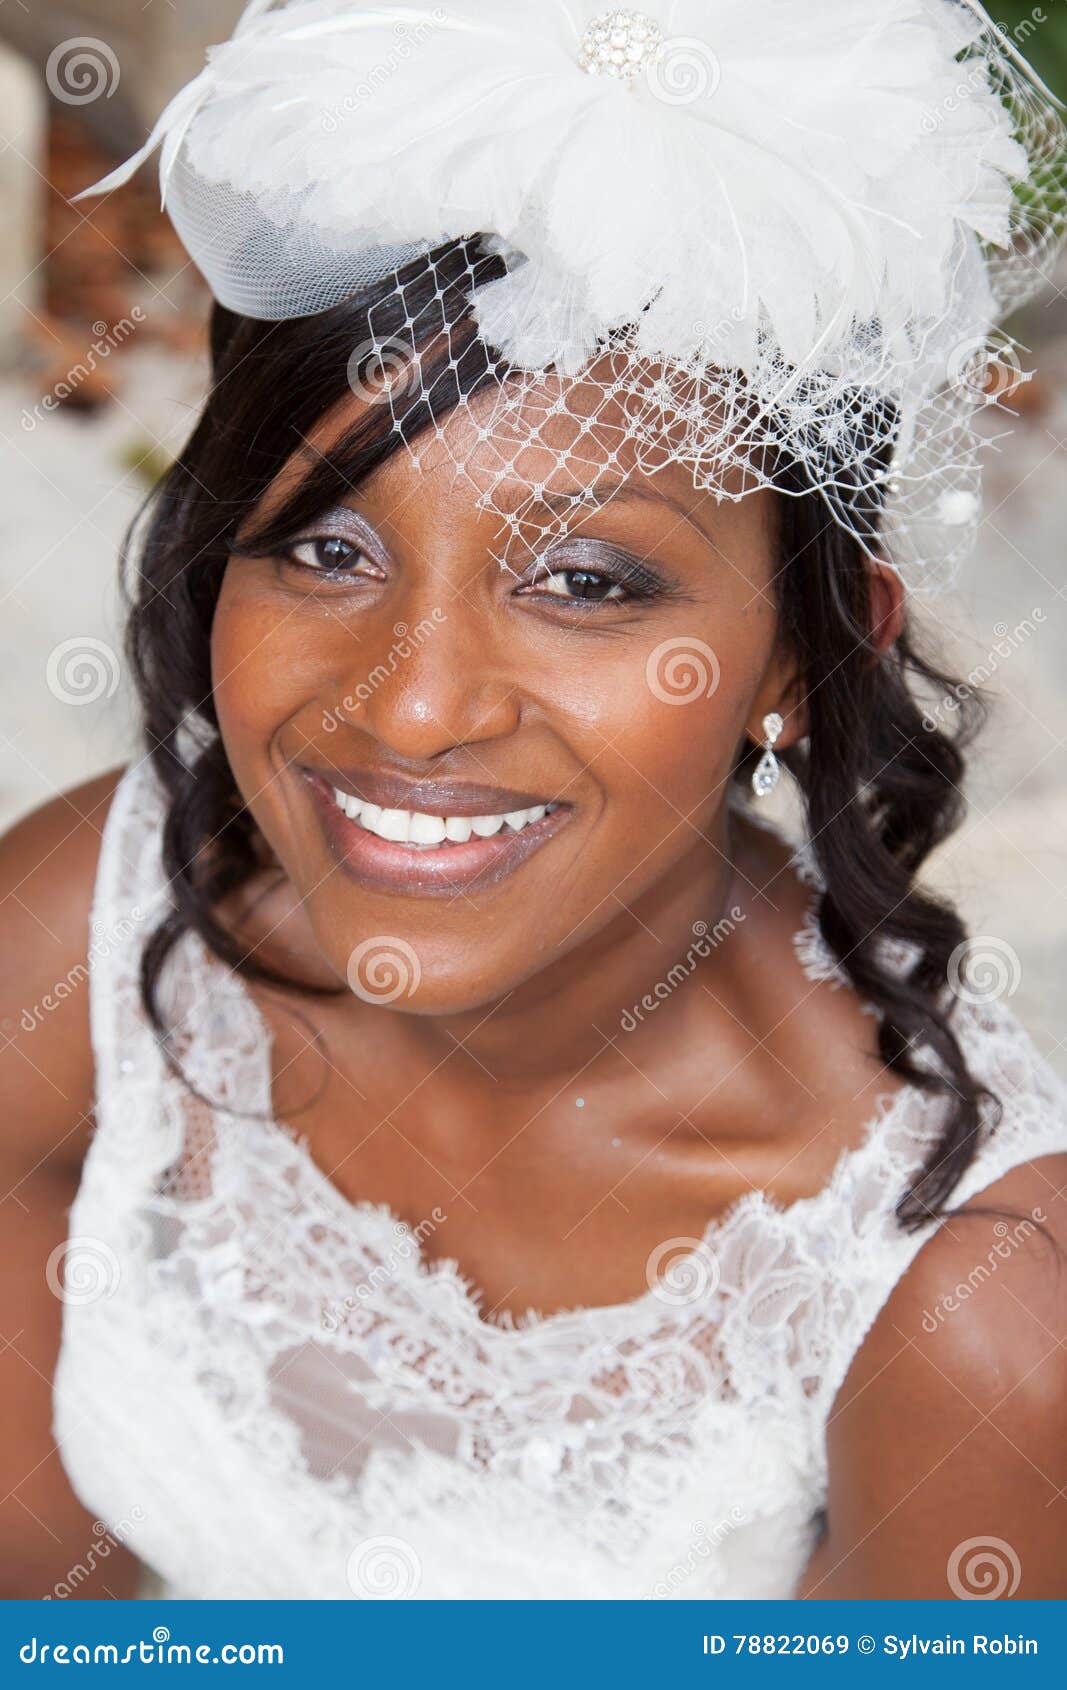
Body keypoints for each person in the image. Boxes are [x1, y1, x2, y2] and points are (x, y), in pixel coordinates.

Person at [3, 0, 1067, 1600]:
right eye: (328, 545)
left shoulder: (972, 1308)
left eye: (586, 578)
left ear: (806, 649)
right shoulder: (90, 929)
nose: (415, 706)